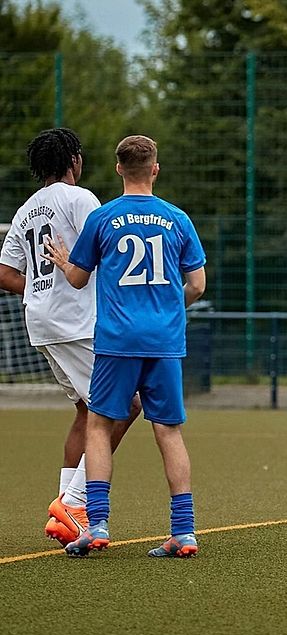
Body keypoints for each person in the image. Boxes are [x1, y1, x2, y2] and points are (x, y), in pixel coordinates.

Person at [45, 135, 207, 557]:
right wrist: (170, 306)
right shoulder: (178, 218)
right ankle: (184, 531)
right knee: (168, 430)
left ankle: (95, 524)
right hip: (166, 341)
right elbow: (198, 285)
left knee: (99, 424)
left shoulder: (103, 217)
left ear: (118, 169)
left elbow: (78, 279)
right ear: (155, 169)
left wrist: (63, 262)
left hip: (117, 340)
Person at [0, 128, 140, 546]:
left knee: (86, 410)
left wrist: (41, 290)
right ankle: (75, 503)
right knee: (126, 405)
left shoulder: (26, 210)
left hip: (41, 322)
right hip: (76, 323)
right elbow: (108, 249)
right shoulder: (80, 199)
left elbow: (5, 272)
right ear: (74, 160)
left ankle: (65, 511)